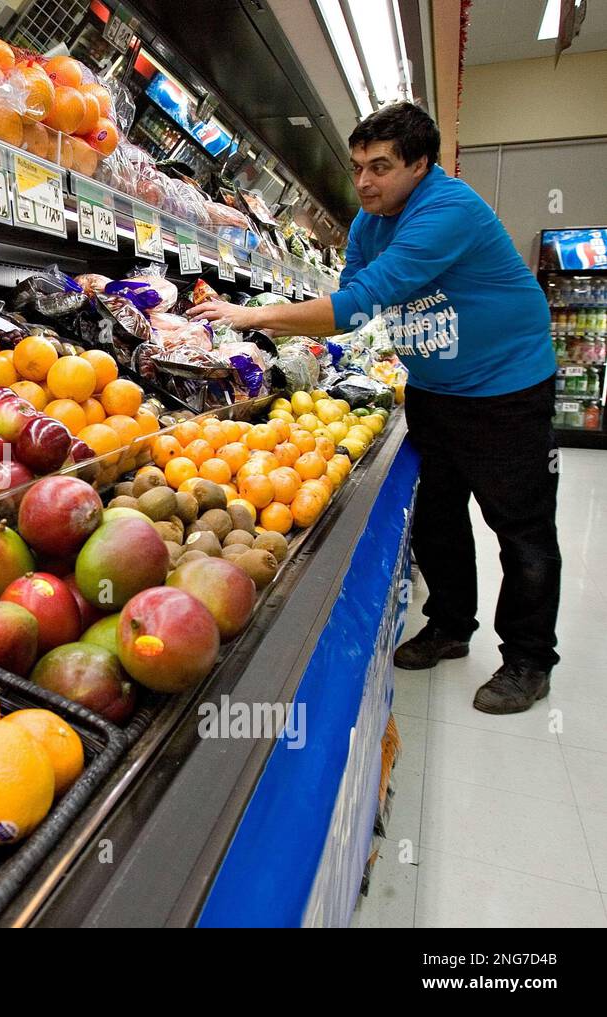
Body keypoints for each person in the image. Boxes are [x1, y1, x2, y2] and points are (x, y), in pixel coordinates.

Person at [190, 101, 560, 715]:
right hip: (437, 391)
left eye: (381, 167)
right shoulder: (370, 221)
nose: (364, 181)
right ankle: (448, 625)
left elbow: (362, 298)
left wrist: (251, 315)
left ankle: (528, 659)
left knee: (519, 528)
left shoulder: (447, 211)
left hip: (506, 391)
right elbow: (355, 311)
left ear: (421, 165)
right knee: (438, 517)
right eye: (358, 165)